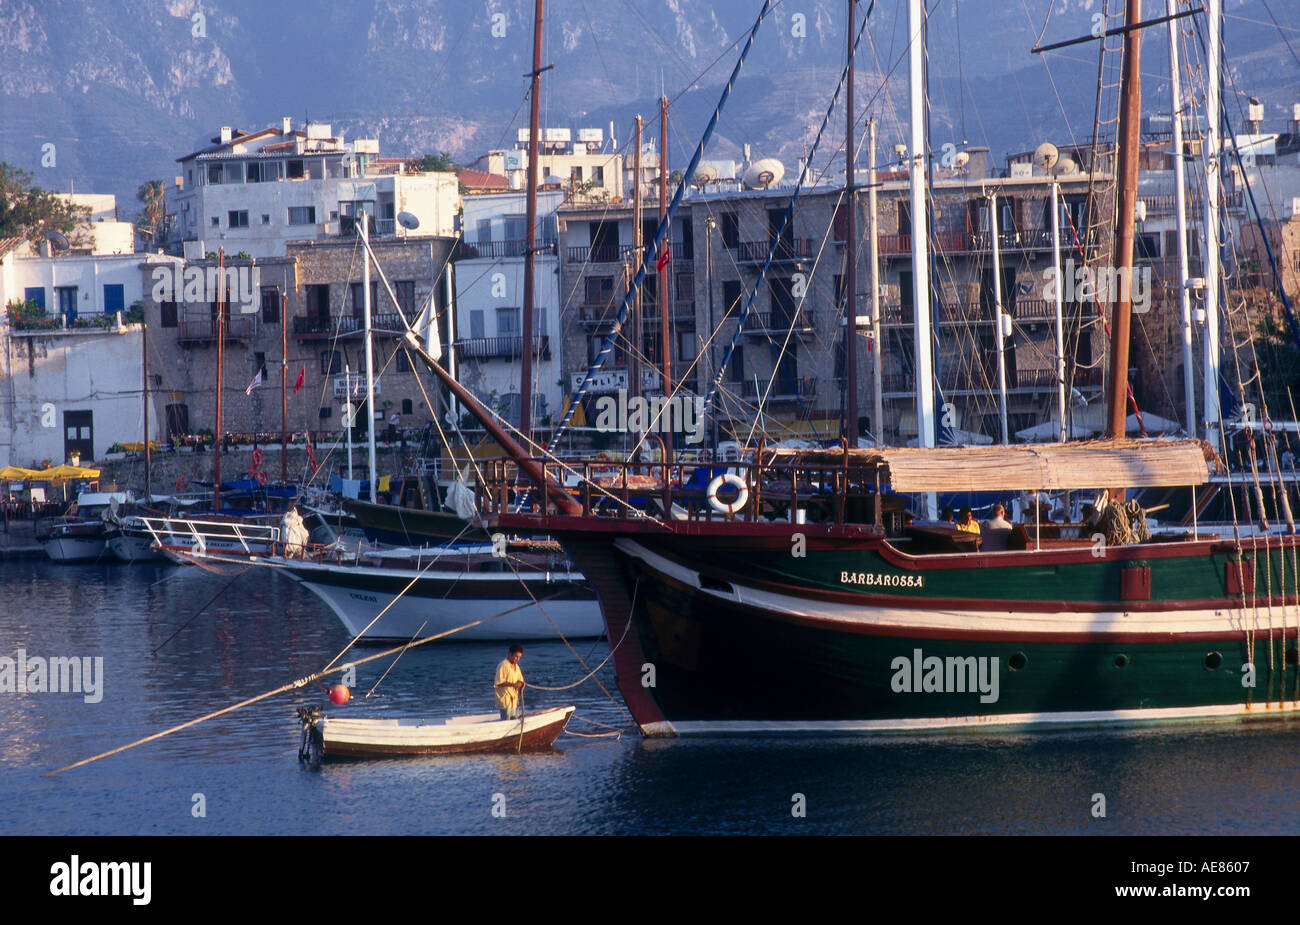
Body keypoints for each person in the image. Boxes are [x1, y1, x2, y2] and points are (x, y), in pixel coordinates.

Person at [494, 644, 525, 720]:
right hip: (505, 700)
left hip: (514, 701)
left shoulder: (516, 666)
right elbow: (499, 682)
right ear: (510, 654)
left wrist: (521, 684)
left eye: (519, 657)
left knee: (514, 720)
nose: (517, 659)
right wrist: (513, 685)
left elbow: (521, 680)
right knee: (506, 721)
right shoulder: (503, 665)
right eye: (516, 656)